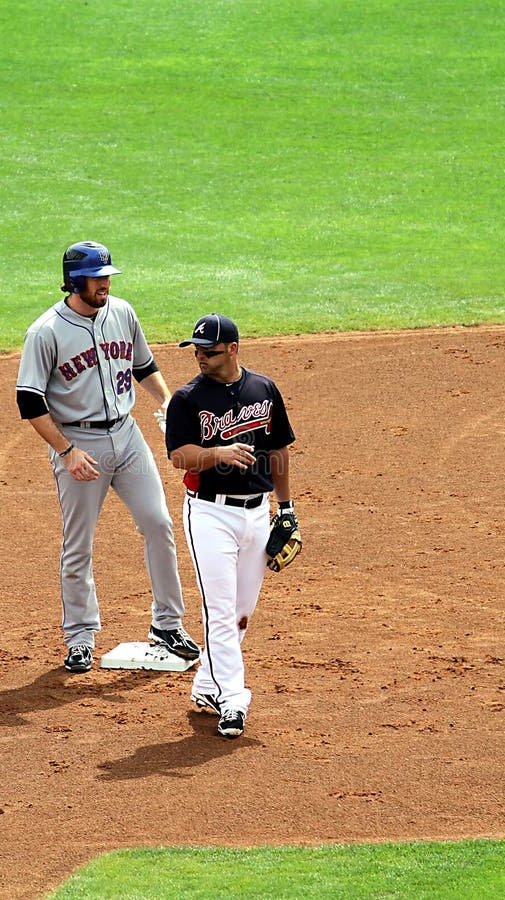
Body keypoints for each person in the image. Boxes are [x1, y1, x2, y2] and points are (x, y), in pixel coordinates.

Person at [15, 240, 199, 672]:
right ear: (75, 281)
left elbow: (142, 365)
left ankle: (168, 625)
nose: (106, 284)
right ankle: (80, 635)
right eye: (99, 278)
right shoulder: (45, 332)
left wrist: (167, 401)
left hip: (127, 435)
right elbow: (29, 402)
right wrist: (66, 451)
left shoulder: (122, 312)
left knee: (159, 523)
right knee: (78, 543)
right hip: (80, 446)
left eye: (108, 277)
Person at [165, 314, 297, 738]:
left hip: (258, 513)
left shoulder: (264, 389)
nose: (201, 358)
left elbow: (277, 450)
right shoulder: (187, 399)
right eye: (197, 351)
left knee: (241, 614)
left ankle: (206, 685)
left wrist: (287, 508)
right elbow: (179, 457)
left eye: (210, 351)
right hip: (209, 514)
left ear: (233, 349)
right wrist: (218, 453)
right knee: (219, 612)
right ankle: (234, 700)